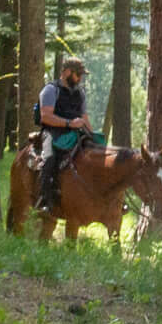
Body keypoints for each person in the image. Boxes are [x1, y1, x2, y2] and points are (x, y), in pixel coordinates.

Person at [33, 56, 94, 216]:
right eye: (77, 74)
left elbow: (85, 118)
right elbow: (45, 116)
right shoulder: (50, 90)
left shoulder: (80, 93)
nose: (80, 78)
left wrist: (93, 137)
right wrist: (69, 123)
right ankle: (44, 201)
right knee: (50, 159)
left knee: (98, 153)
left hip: (75, 132)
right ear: (67, 72)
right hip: (51, 132)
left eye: (81, 75)